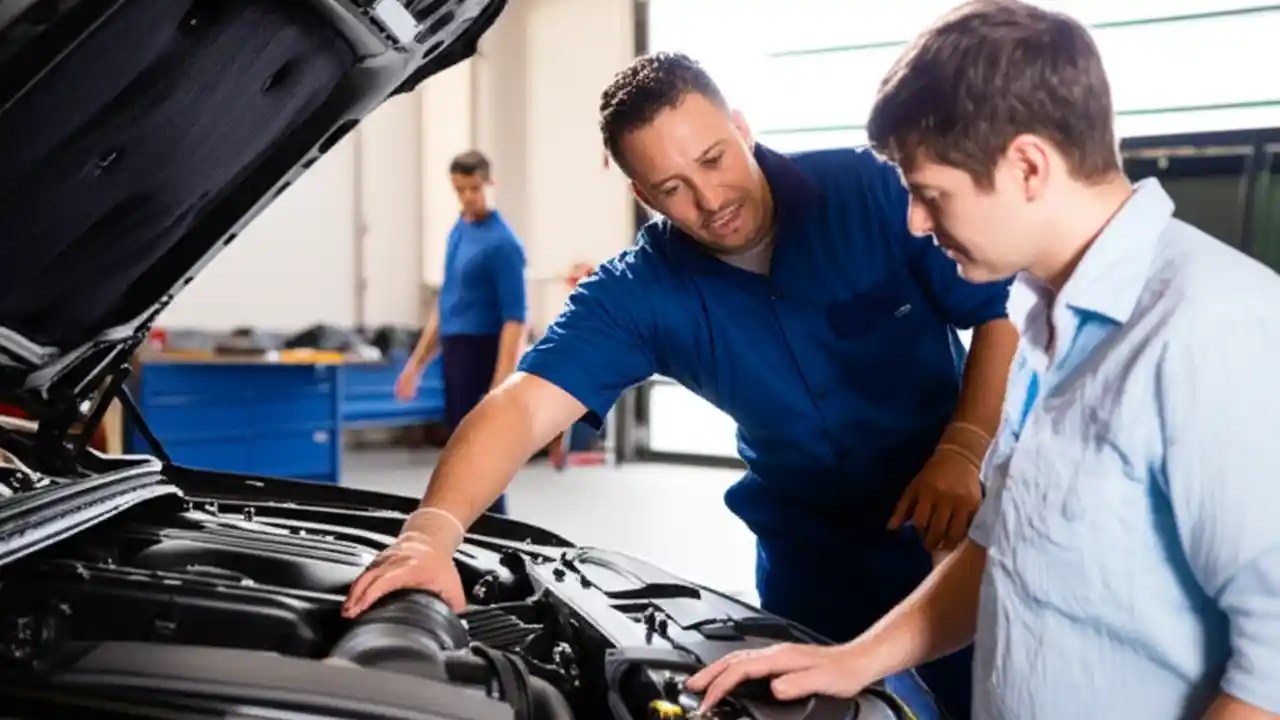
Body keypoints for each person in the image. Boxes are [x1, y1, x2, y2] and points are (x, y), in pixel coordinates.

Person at [346, 52, 1021, 718]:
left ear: (741, 127)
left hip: (950, 525)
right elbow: (523, 406)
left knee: (995, 700)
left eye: (713, 159)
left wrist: (962, 448)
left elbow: (1000, 315)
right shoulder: (638, 293)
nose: (710, 201)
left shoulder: (873, 190)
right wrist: (429, 535)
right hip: (811, 559)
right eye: (670, 188)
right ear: (642, 195)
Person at [686, 2, 1280, 719]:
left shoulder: (1212, 330)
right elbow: (1001, 547)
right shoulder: (1042, 317)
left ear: (1028, 165)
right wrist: (851, 660)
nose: (914, 221)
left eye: (929, 194)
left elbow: (1270, 670)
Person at [395, 150, 527, 516]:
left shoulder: (504, 246)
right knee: (460, 455)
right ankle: (466, 526)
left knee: (481, 455)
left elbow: (515, 320)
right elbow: (446, 304)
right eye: (460, 190)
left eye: (474, 188)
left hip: (483, 355)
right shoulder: (459, 230)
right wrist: (415, 366)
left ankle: (496, 528)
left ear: (490, 184)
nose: (468, 197)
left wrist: (501, 386)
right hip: (455, 356)